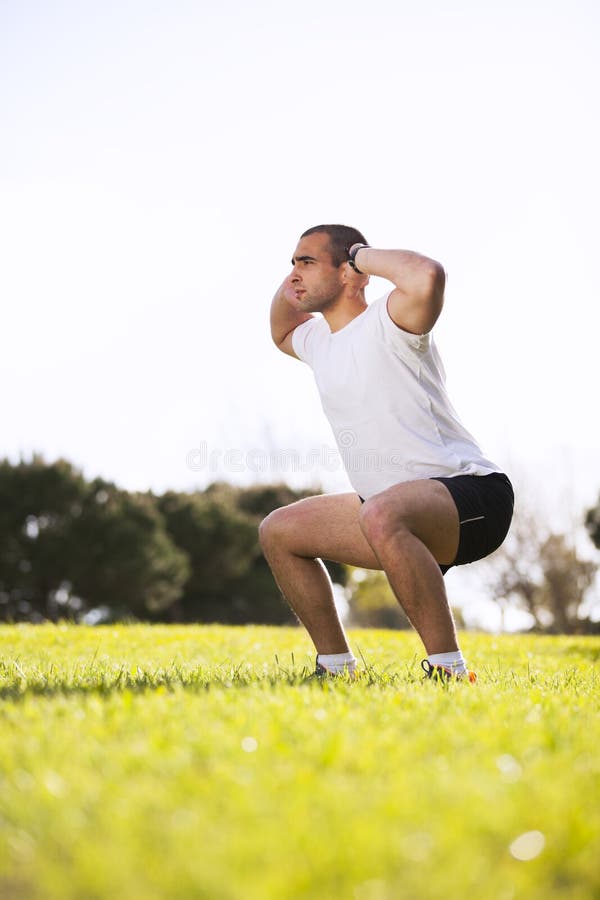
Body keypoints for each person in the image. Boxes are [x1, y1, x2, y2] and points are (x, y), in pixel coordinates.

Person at [260, 224, 514, 681]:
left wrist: (358, 255)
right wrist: (300, 279)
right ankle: (336, 669)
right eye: (291, 263)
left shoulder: (392, 320)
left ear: (351, 272)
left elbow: (428, 275)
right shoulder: (319, 343)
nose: (294, 274)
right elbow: (281, 330)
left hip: (472, 495)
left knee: (380, 513)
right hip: (388, 511)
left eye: (308, 261)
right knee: (279, 531)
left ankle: (449, 671)